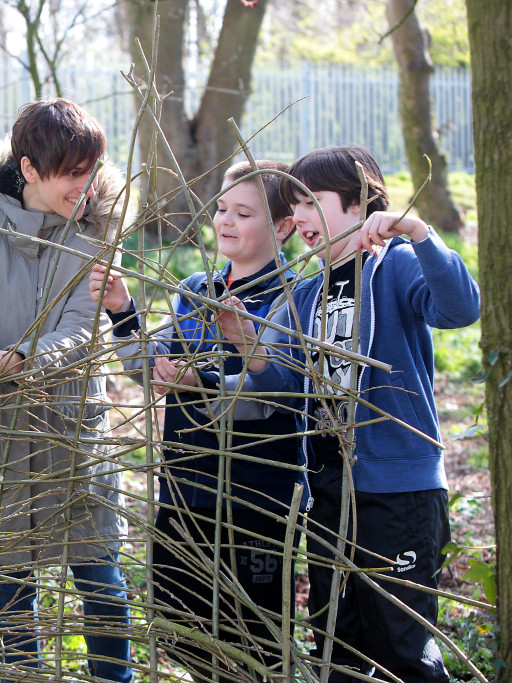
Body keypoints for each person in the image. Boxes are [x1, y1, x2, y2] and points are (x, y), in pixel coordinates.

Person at [208, 145, 480, 683]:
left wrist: (420, 234)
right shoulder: (304, 295)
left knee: (403, 644)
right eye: (294, 205)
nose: (301, 217)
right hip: (331, 488)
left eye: (312, 202)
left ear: (359, 205)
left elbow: (459, 307)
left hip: (396, 492)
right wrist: (249, 347)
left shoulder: (395, 266)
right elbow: (282, 380)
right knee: (338, 641)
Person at [0, 98, 133, 682]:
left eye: (92, 169)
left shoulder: (94, 238)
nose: (85, 186)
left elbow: (79, 334)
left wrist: (12, 362)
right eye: (71, 172)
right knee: (11, 595)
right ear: (30, 169)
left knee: (102, 585)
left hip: (71, 439)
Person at [90, 160, 305, 678]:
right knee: (179, 620)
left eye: (244, 213)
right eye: (221, 209)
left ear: (283, 227)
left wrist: (201, 383)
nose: (225, 221)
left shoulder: (294, 298)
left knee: (252, 635)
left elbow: (273, 394)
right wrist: (123, 312)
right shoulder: (195, 289)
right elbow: (148, 366)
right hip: (186, 488)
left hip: (256, 498)